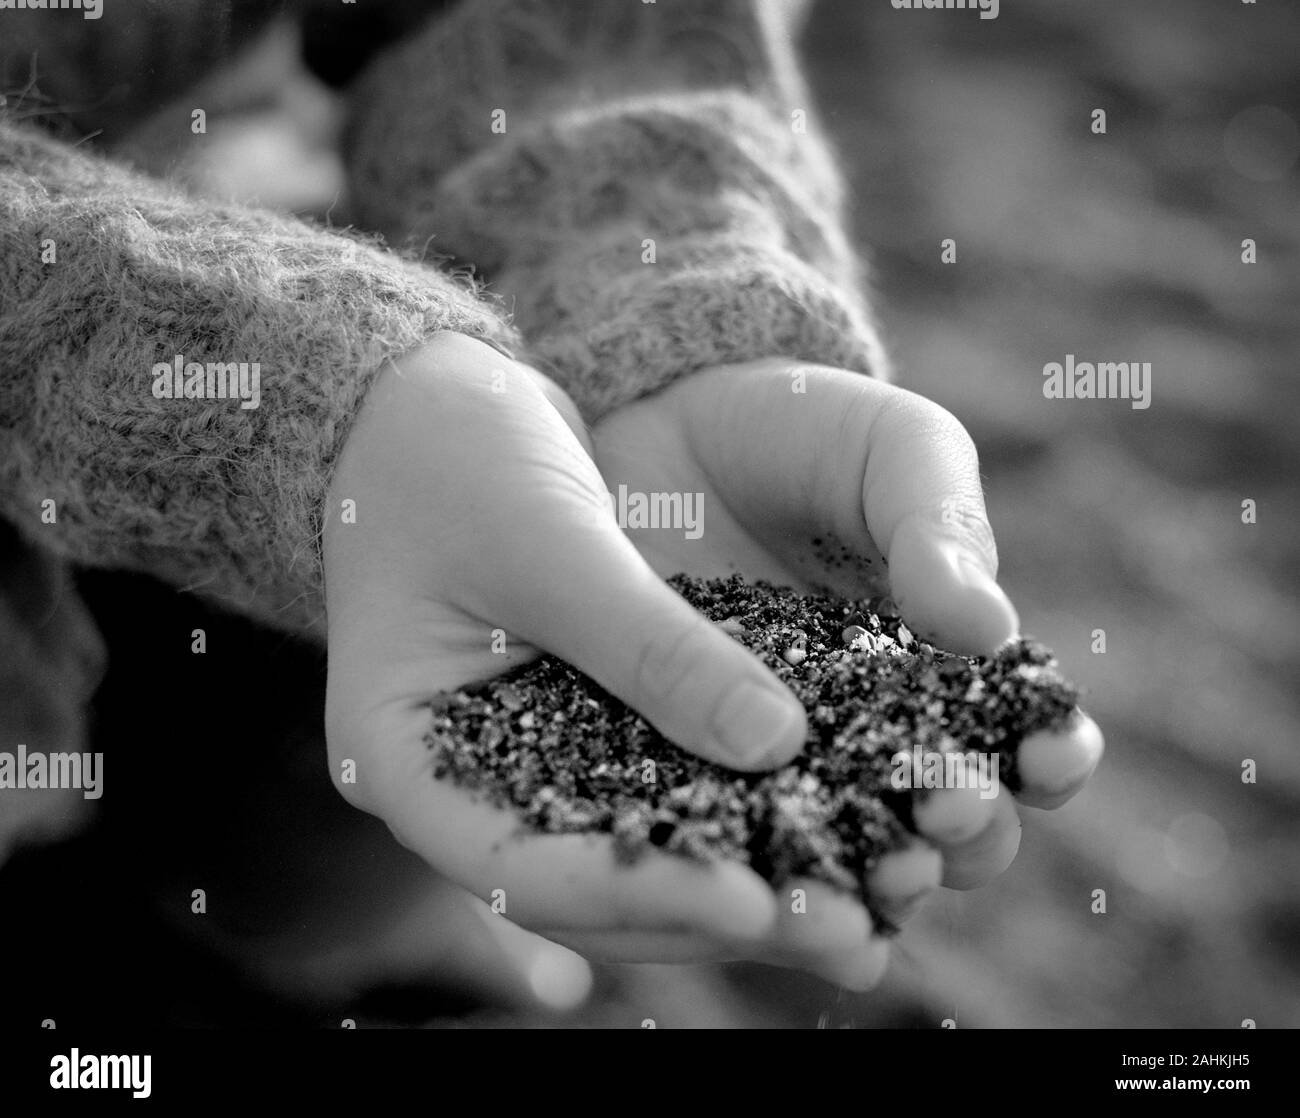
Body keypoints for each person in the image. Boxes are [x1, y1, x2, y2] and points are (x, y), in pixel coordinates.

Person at [0, 0, 1102, 1020]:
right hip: (212, 354)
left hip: (246, 245)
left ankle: (309, 944)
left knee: (325, 850)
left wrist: (666, 309)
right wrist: (306, 394)